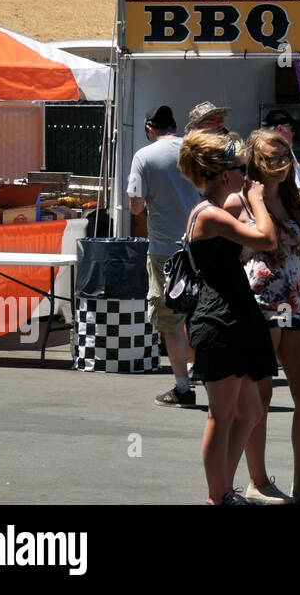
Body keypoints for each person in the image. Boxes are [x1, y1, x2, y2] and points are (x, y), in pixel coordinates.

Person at [177, 130, 279, 506]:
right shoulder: (208, 216)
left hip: (235, 315)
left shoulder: (216, 209)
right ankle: (215, 496)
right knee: (220, 415)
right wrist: (257, 199)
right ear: (224, 176)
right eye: (240, 170)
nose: (245, 175)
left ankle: (224, 489)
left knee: (250, 409)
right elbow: (266, 239)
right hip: (217, 319)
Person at [234, 130, 300, 505]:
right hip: (258, 303)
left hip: (296, 303)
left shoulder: (295, 199)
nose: (279, 164)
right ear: (254, 161)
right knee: (259, 395)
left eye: (284, 157)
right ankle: (257, 481)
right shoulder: (239, 200)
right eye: (271, 158)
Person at [127, 105, 202, 407]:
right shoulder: (193, 151)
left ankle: (183, 388)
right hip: (201, 243)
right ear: (175, 125)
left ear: (149, 129)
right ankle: (202, 371)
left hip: (165, 249)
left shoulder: (144, 157)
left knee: (171, 319)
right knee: (199, 312)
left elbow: (135, 206)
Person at [260, 108, 300, 194]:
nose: (293, 133)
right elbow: (297, 189)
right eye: (292, 129)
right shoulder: (286, 153)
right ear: (280, 129)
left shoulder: (254, 150)